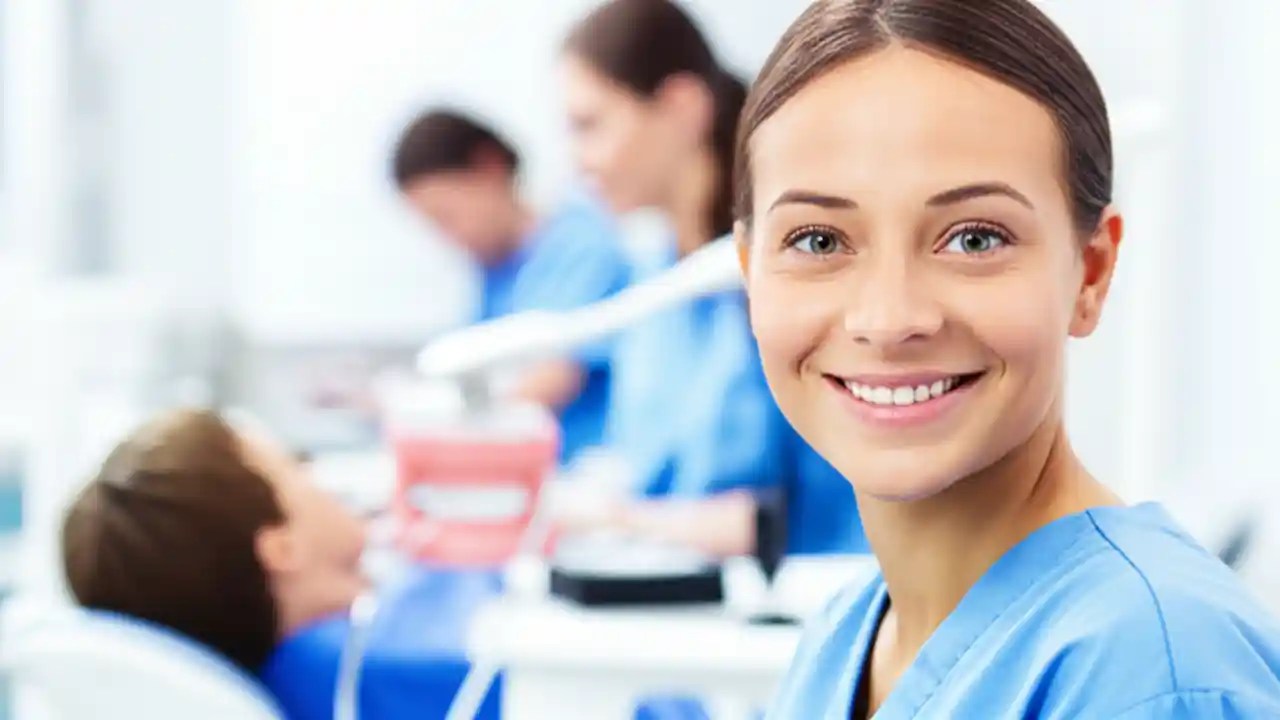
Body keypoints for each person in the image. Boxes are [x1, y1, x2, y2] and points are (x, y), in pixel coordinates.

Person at [732, 0, 1280, 717]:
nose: (890, 320)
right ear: (749, 272)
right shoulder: (842, 636)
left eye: (975, 238)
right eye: (818, 241)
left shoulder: (1154, 670)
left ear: (1091, 273)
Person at [558, 0, 864, 558]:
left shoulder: (778, 275)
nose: (579, 161)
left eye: (590, 125)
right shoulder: (657, 280)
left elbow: (771, 521)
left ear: (680, 107)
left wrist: (614, 518)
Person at [61, 409, 503, 719]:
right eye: (296, 466)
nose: (323, 480)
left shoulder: (318, 663)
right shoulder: (369, 669)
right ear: (281, 548)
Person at [392, 109, 631, 464]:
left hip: (587, 472)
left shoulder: (582, 245)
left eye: (447, 215)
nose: (448, 236)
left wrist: (436, 416)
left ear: (489, 168)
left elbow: (554, 377)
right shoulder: (493, 272)